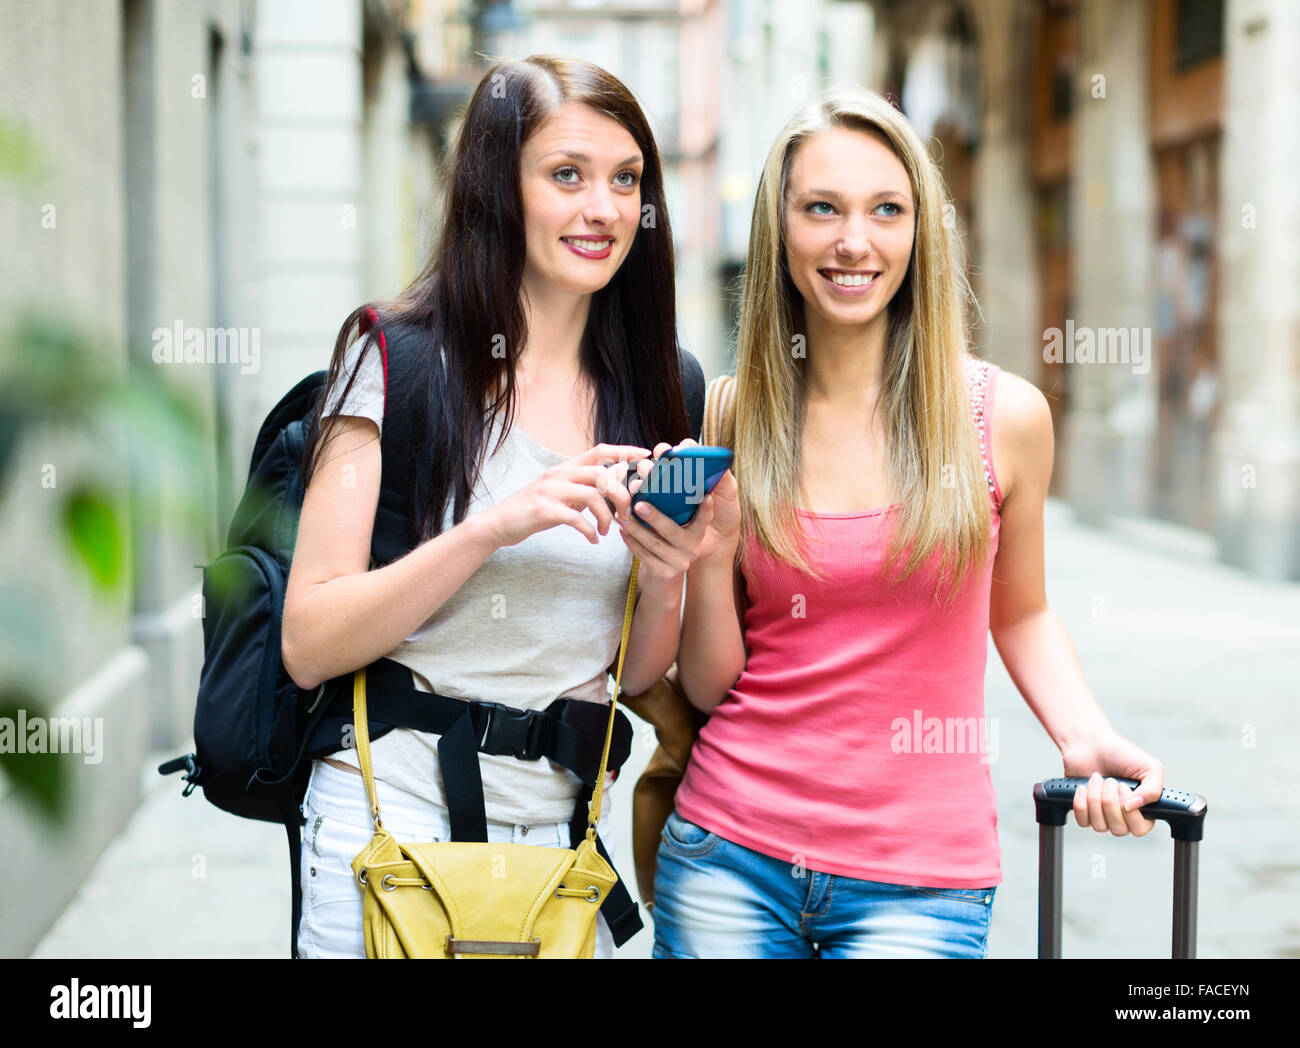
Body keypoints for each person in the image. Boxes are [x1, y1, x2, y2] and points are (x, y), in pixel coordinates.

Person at [647, 86, 1166, 959]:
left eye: (887, 209)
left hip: (922, 880)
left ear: (920, 230)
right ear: (781, 231)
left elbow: (1022, 609)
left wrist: (1085, 737)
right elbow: (709, 685)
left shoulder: (1005, 417)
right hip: (730, 853)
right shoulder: (731, 414)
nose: (856, 241)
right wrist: (706, 556)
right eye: (823, 208)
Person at [281, 55, 714, 959]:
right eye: (567, 175)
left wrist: (668, 575)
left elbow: (634, 676)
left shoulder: (661, 385)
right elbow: (310, 640)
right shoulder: (394, 358)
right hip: (384, 828)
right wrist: (497, 525)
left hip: (557, 845)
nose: (603, 209)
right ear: (498, 188)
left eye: (625, 180)